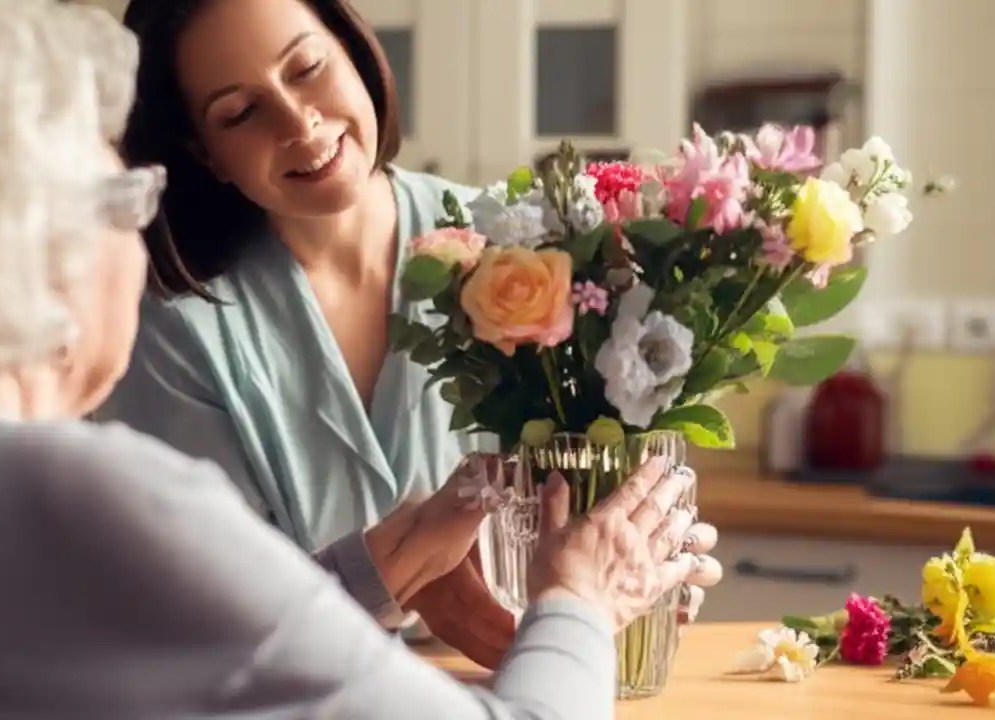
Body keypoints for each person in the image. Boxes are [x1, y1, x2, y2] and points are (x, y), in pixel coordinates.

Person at [0, 1, 718, 717]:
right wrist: (582, 601)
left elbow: (199, 648)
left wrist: (381, 566)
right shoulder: (94, 500)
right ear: (26, 247)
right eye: (122, 191)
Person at [96, 0, 721, 668]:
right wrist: (400, 572)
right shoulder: (170, 325)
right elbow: (203, 627)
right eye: (240, 112)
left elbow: (582, 501)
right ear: (205, 152)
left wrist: (642, 560)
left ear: (353, 52)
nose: (299, 123)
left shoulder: (524, 250)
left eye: (307, 67)